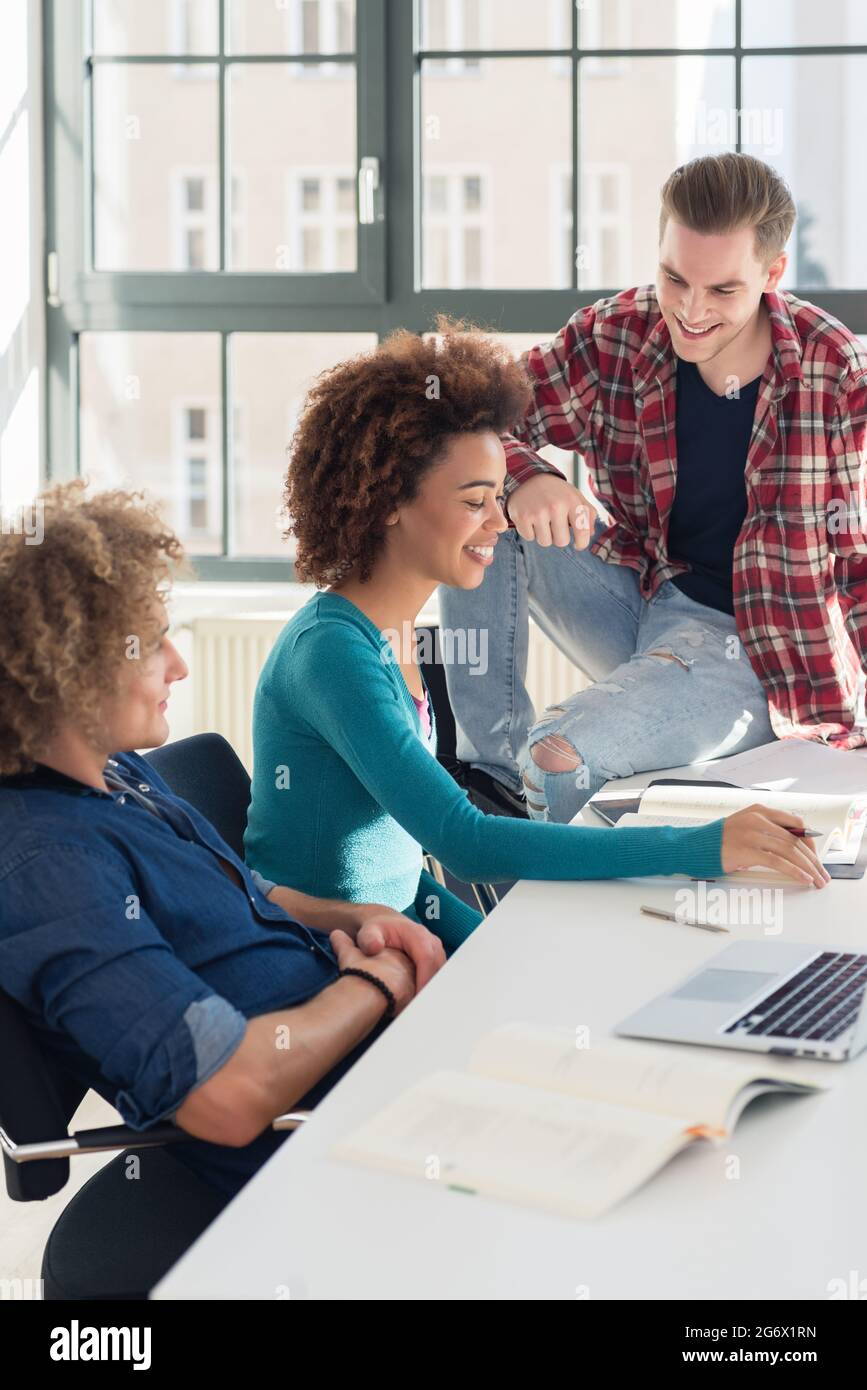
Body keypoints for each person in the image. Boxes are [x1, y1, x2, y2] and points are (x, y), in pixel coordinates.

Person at [243, 321, 828, 955]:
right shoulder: (331, 653)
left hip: (394, 937)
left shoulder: (398, 638)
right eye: (475, 501)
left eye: (499, 497)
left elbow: (402, 871)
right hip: (318, 958)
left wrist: (492, 951)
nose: (499, 522)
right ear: (390, 501)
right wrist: (706, 846)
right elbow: (464, 842)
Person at [0, 481, 445, 1201]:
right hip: (328, 1148)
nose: (178, 665)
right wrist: (374, 985)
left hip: (373, 1072)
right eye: (151, 644)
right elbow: (229, 1095)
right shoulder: (52, 865)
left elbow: (245, 896)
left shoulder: (118, 774)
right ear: (66, 671)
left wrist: (356, 918)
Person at [438, 152, 867, 825]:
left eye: (722, 291)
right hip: (640, 594)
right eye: (674, 279)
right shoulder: (617, 333)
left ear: (771, 273)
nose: (690, 312)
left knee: (556, 753)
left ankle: (549, 891)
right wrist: (528, 478)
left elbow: (859, 566)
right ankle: (482, 773)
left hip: (763, 657)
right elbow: (466, 417)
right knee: (472, 495)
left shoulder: (834, 370)